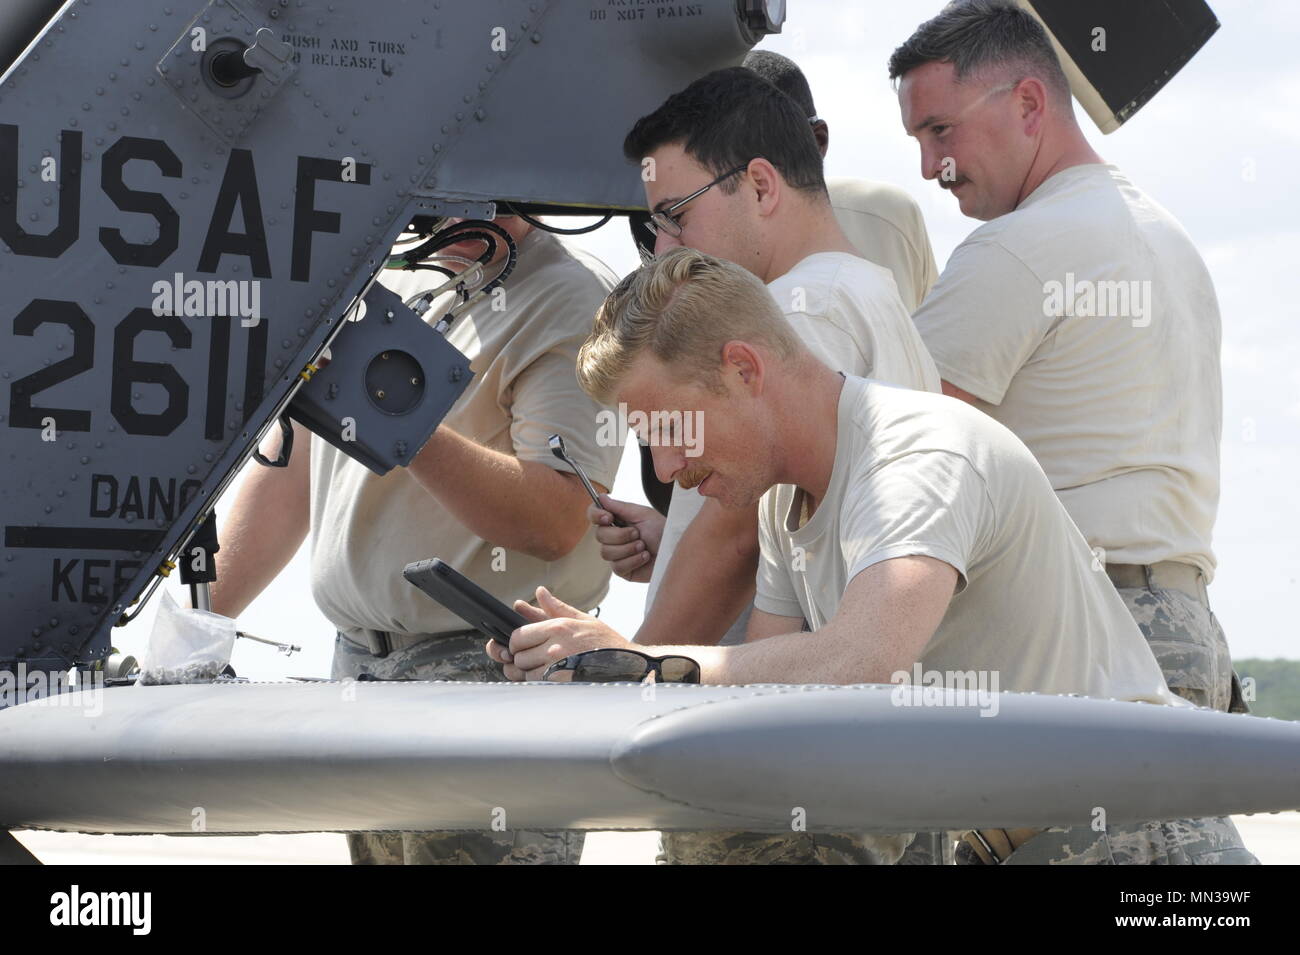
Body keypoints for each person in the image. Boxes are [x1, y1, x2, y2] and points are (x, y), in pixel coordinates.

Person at [492, 247, 1255, 865]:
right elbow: (769, 702)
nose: (663, 469)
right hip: (1034, 839)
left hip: (1141, 850)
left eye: (668, 428)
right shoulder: (781, 507)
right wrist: (597, 673)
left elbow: (861, 657)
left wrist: (651, 662)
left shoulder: (918, 454)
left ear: (744, 370)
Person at [591, 67, 941, 864]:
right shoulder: (867, 292)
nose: (664, 250)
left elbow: (737, 534)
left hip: (777, 763)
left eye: (674, 217)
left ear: (758, 184)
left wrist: (627, 666)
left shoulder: (801, 308)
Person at [210, 214, 622, 865]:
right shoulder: (392, 275)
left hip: (487, 679)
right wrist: (203, 619)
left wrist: (397, 413)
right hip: (359, 674)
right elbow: (296, 464)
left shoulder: (569, 295)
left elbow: (554, 516)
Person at [888, 0, 1247, 718]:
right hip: (1187, 627)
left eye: (939, 131)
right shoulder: (1167, 237)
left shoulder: (1017, 247)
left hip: (1082, 640)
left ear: (1028, 103)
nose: (931, 166)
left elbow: (891, 461)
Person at [743, 50, 940, 314]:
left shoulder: (888, 218)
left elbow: (931, 351)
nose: (760, 188)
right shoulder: (687, 253)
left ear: (818, 142)